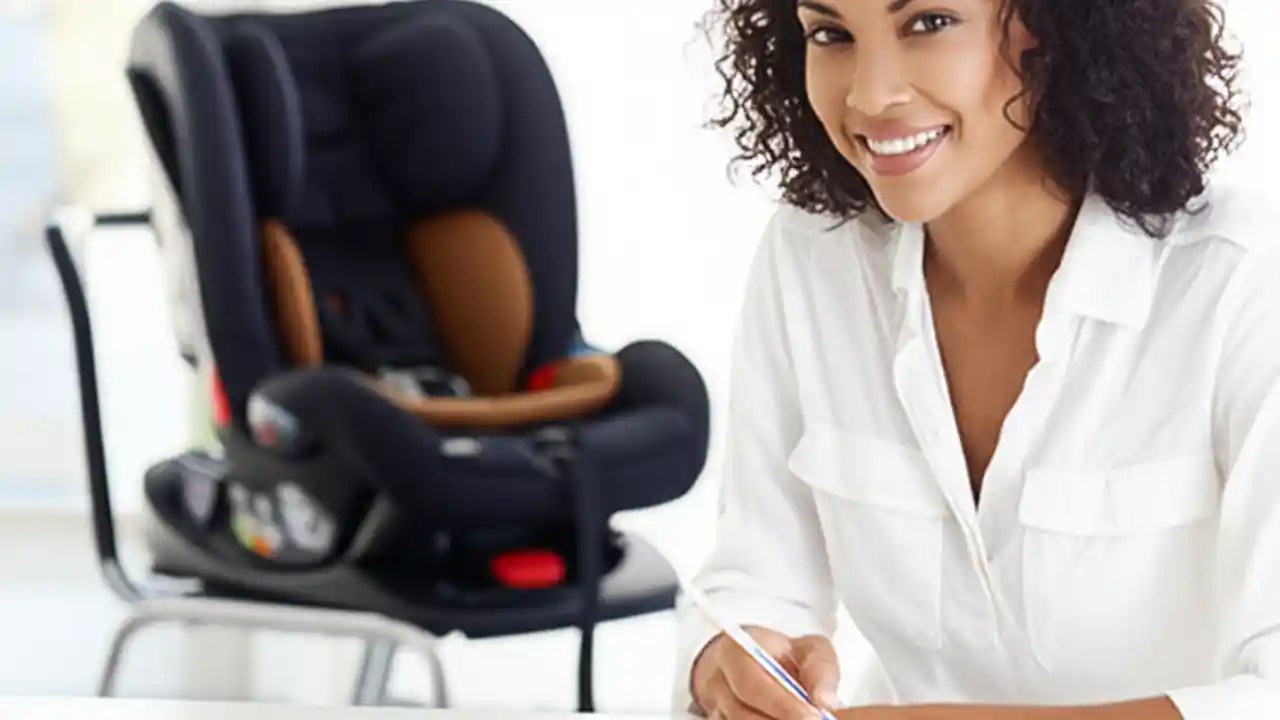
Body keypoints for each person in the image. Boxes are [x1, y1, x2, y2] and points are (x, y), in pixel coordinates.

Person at [675, 0, 1280, 718]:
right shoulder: (812, 258)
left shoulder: (1241, 282)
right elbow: (755, 573)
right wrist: (733, 665)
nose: (870, 94)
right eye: (831, 34)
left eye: (928, 23)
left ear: (1055, 26)